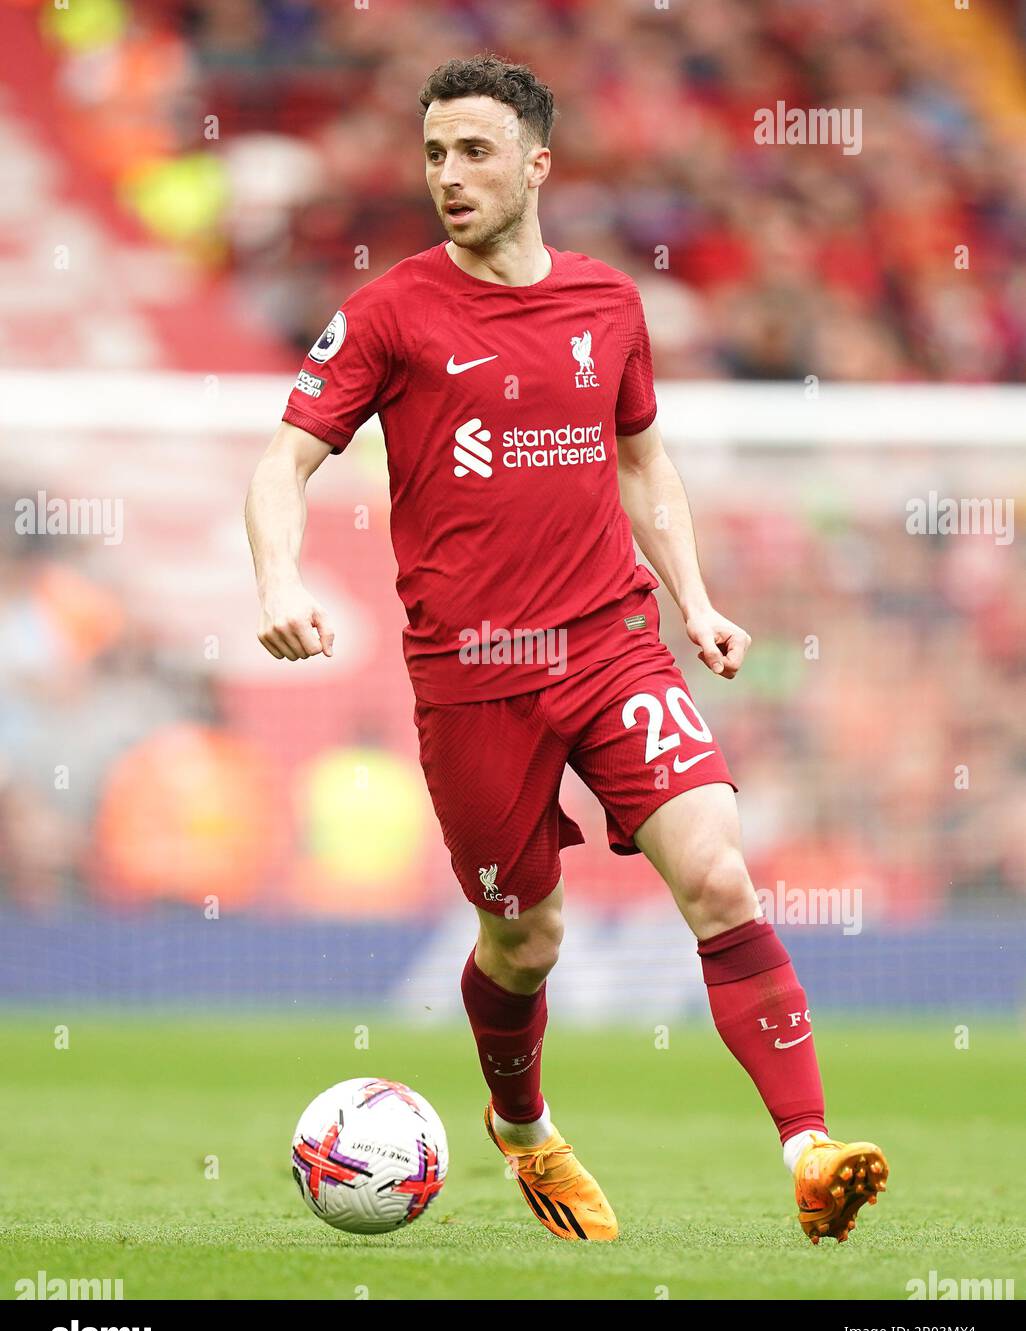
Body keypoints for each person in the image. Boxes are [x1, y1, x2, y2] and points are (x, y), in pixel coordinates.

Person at [245, 53, 887, 1244]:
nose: (449, 175)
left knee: (719, 873)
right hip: (472, 677)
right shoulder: (390, 313)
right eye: (434, 153)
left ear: (539, 164)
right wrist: (280, 575)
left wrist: (693, 598)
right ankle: (524, 1127)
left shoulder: (607, 303)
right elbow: (280, 462)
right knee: (526, 940)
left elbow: (643, 459)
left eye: (476, 151)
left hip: (610, 645)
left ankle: (811, 1148)